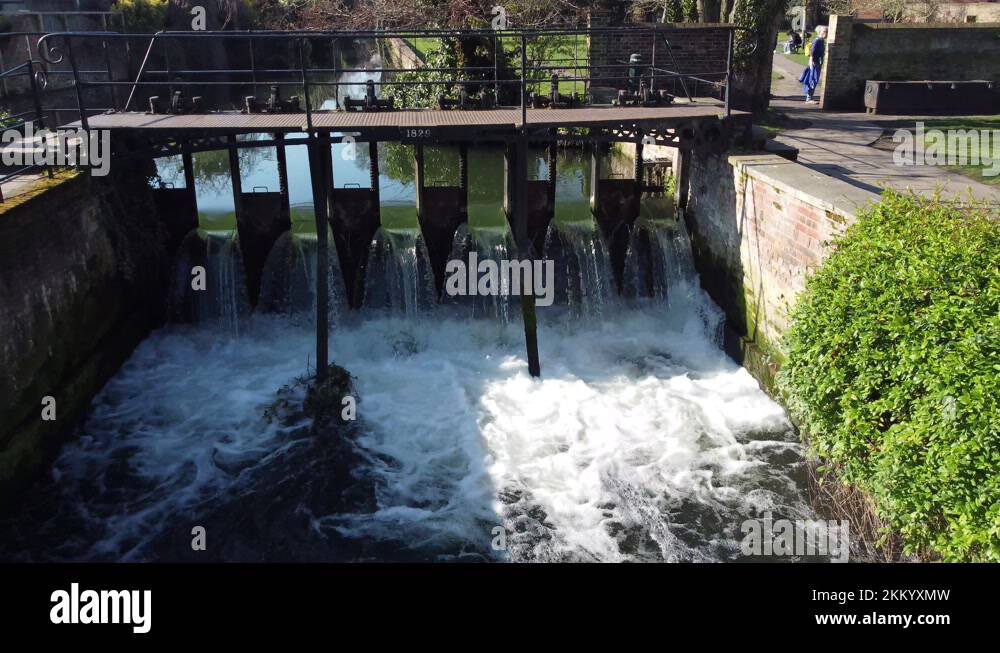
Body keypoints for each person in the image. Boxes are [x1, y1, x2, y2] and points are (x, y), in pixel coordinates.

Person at [799, 25, 827, 103]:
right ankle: (808, 98)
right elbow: (812, 51)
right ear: (819, 32)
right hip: (815, 63)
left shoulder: (821, 41)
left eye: (827, 32)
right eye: (824, 32)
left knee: (815, 79)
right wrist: (811, 61)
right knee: (812, 79)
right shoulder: (817, 40)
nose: (826, 33)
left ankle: (810, 97)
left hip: (818, 63)